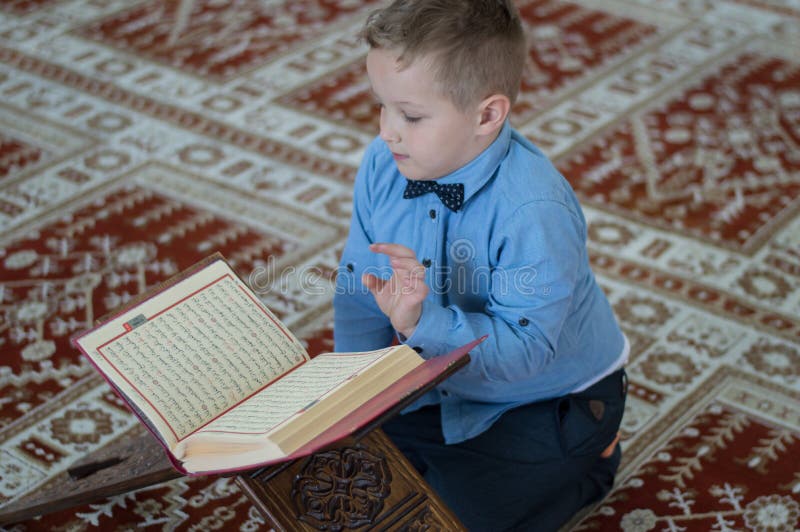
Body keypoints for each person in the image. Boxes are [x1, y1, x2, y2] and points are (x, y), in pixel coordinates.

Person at [333, 0, 629, 530]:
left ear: (488, 115)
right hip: (433, 380)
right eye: (382, 106)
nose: (387, 132)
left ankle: (595, 461)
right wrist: (351, 391)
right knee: (336, 479)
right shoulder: (383, 164)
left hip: (544, 396)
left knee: (451, 520)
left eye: (411, 116)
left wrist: (420, 324)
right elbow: (360, 286)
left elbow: (528, 351)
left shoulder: (534, 211)